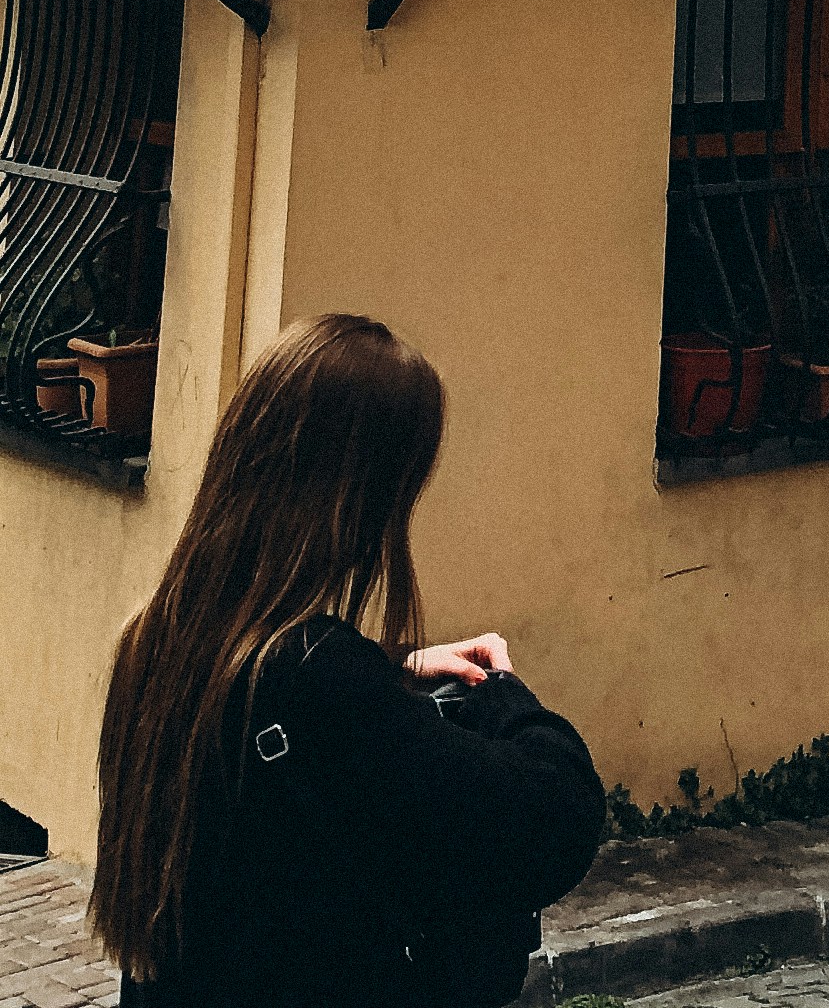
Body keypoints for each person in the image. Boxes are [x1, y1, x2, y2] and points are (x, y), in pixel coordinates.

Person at [92, 312, 606, 1005]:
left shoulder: (157, 637)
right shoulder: (318, 682)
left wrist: (389, 669)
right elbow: (547, 821)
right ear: (363, 496)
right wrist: (508, 695)